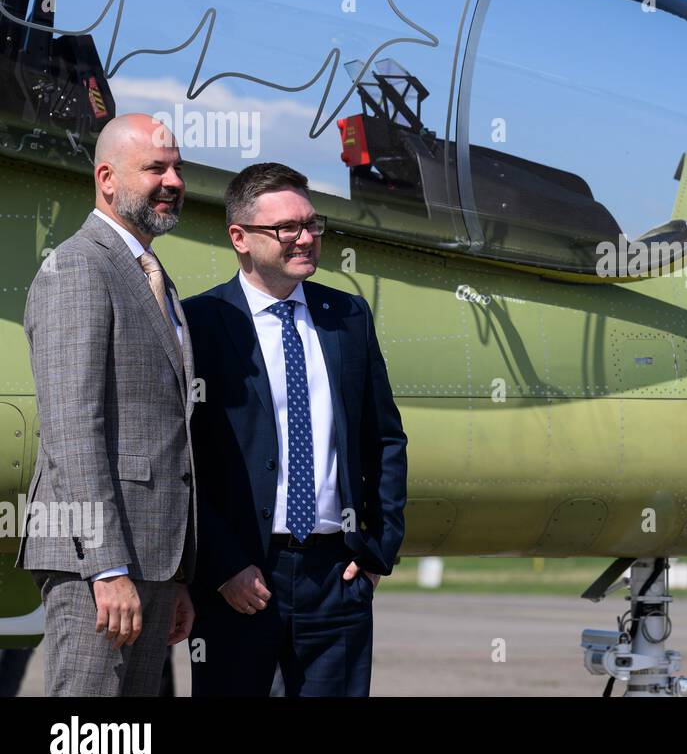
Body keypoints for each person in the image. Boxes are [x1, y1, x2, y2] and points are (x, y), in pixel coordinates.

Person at [185, 162, 406, 696]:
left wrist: (376, 551)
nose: (306, 238)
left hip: (337, 578)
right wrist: (222, 567)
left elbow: (385, 439)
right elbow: (185, 461)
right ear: (240, 237)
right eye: (287, 228)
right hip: (241, 579)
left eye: (312, 224)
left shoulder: (347, 316)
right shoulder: (201, 322)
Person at [17, 113, 197, 696]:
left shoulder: (152, 274)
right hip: (96, 561)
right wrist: (107, 567)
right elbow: (72, 431)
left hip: (152, 560)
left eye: (177, 168)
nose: (172, 180)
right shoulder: (78, 266)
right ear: (107, 178)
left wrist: (175, 577)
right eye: (155, 168)